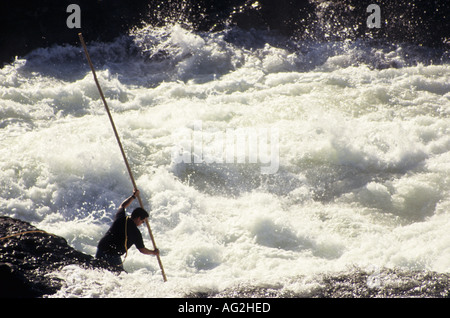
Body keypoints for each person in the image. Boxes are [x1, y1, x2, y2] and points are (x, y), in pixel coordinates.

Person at [96, 189, 159, 270]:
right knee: (119, 277)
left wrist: (133, 196)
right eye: (143, 221)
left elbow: (122, 206)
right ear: (139, 218)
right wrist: (154, 252)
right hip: (112, 255)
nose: (142, 224)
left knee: (99, 271)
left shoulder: (121, 217)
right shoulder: (136, 233)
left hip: (101, 248)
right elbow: (142, 250)